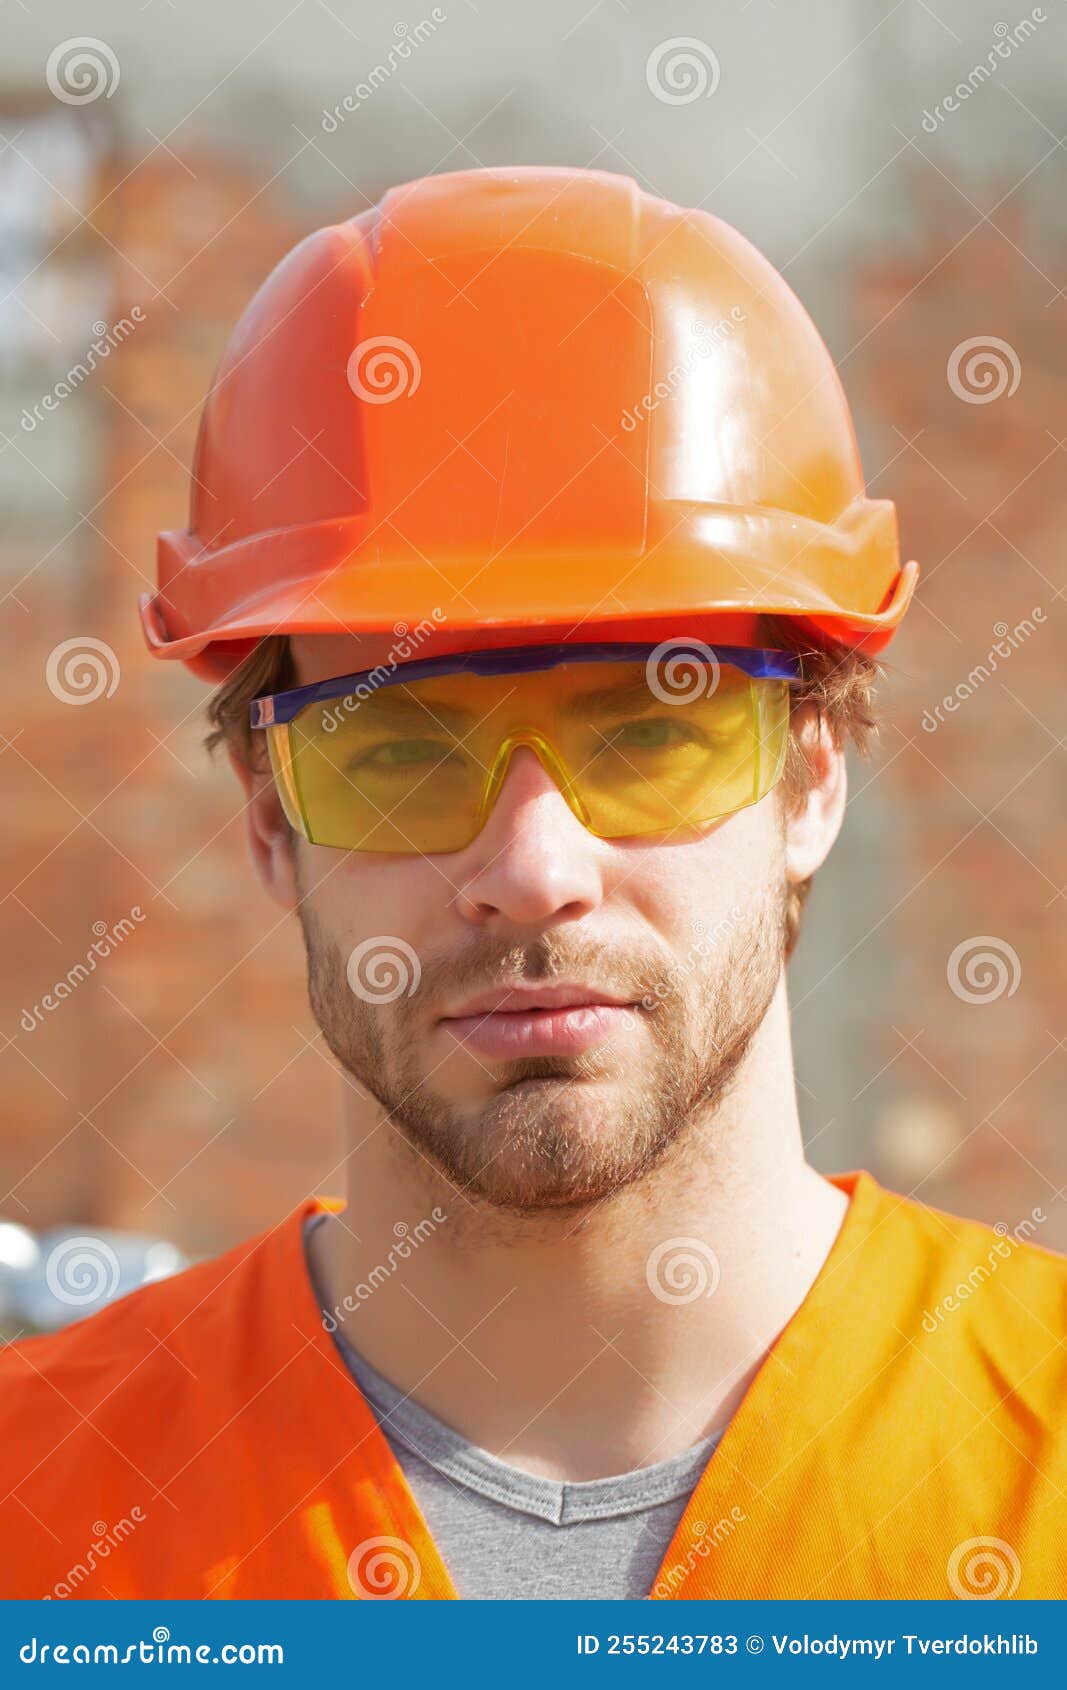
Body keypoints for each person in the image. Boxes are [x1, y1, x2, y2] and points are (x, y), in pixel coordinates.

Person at [1, 167, 1063, 1603]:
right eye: (396, 750)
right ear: (267, 816)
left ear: (811, 776)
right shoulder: (40, 1506)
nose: (531, 871)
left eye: (651, 729)